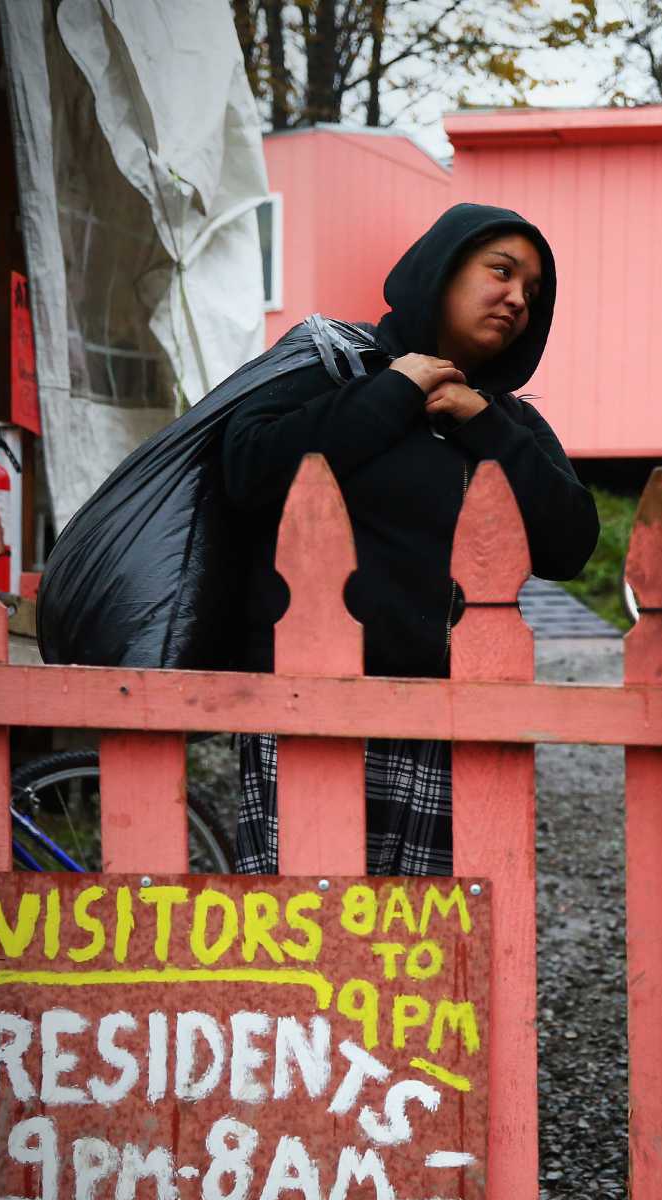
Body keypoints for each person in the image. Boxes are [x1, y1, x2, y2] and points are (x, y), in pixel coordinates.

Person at [219, 203, 598, 875]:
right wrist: (397, 388)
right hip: (308, 711)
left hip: (443, 722)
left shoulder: (507, 422)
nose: (517, 299)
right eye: (501, 272)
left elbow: (568, 542)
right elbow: (248, 473)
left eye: (532, 292)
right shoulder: (331, 365)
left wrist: (482, 423)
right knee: (300, 948)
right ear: (442, 271)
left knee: (418, 956)